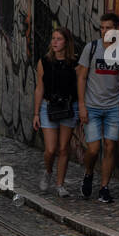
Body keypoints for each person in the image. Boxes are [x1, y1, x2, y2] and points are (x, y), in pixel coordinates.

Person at [77, 10, 119, 204]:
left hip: (113, 107)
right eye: (101, 28)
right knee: (93, 149)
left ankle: (104, 188)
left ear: (117, 29)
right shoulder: (91, 48)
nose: (104, 32)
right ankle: (88, 172)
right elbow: (82, 77)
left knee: (110, 147)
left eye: (108, 28)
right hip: (92, 106)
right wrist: (82, 105)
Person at [34, 27, 78, 197]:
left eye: (59, 39)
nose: (55, 42)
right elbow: (39, 88)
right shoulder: (44, 62)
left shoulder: (75, 63)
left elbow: (79, 86)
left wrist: (81, 107)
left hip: (68, 107)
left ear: (66, 42)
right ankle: (48, 171)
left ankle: (60, 184)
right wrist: (36, 113)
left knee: (63, 148)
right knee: (50, 149)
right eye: (53, 38)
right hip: (48, 106)